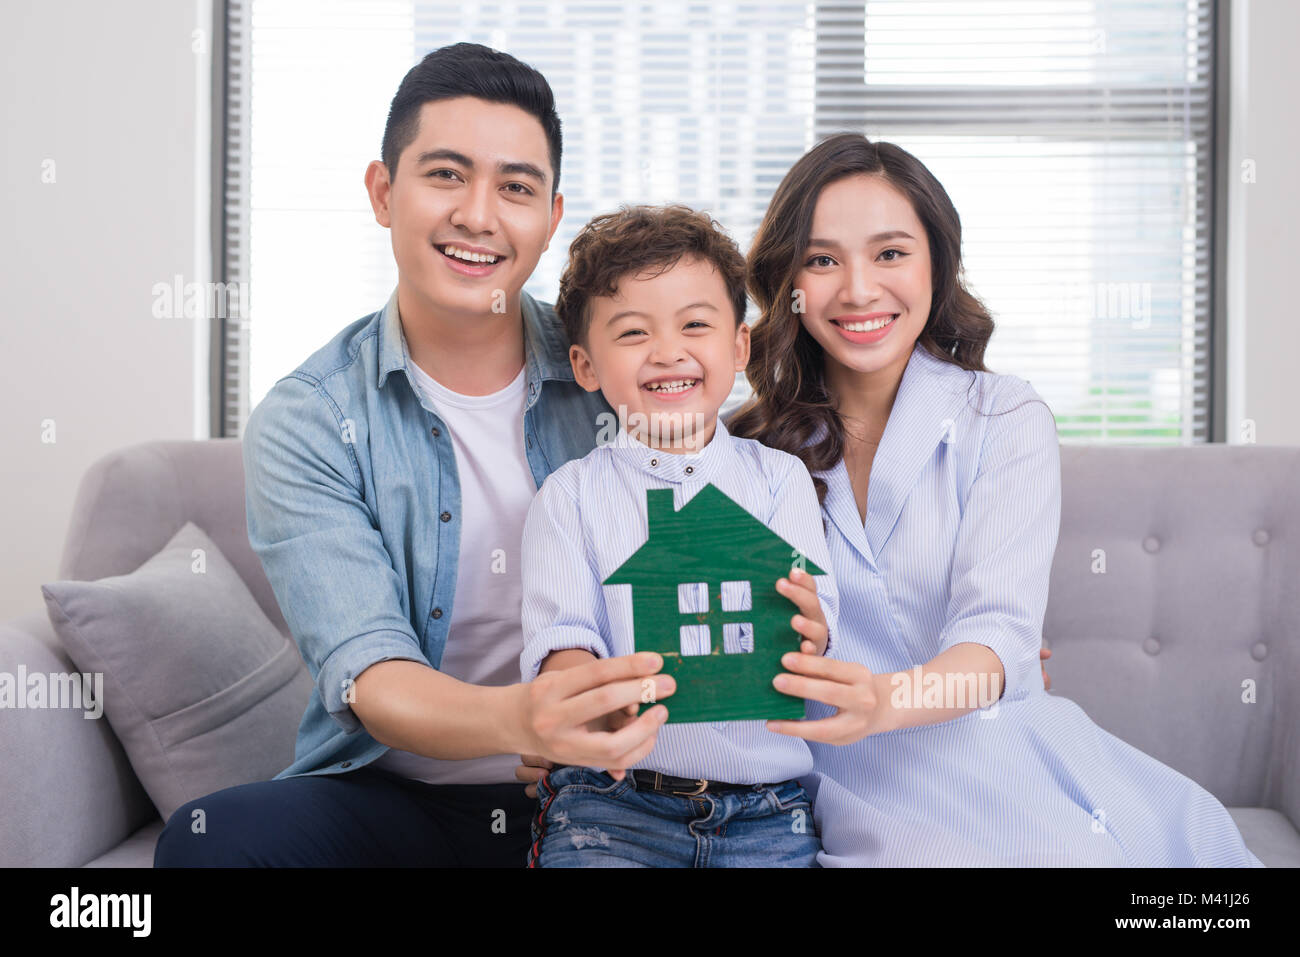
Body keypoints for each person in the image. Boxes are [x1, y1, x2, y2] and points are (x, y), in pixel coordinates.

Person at [154, 43, 676, 867]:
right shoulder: (312, 418)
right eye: (445, 174)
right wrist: (527, 718)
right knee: (211, 843)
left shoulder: (617, 368)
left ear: (550, 213)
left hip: (608, 792)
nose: (478, 214)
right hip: (402, 798)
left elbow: (723, 501)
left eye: (515, 187)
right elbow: (375, 675)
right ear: (382, 192)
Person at [726, 132, 1264, 867]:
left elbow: (1000, 637)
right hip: (844, 779)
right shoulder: (740, 450)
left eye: (890, 253)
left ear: (937, 264)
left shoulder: (1003, 418)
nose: (856, 289)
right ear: (788, 280)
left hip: (999, 752)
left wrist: (883, 700)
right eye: (822, 260)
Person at [519, 205, 839, 867]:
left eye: (696, 324)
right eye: (633, 332)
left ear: (739, 346)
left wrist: (812, 624)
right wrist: (589, 702)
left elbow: (819, 614)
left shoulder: (779, 480)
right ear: (585, 364)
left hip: (766, 810)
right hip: (611, 806)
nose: (669, 351)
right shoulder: (570, 496)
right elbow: (561, 640)